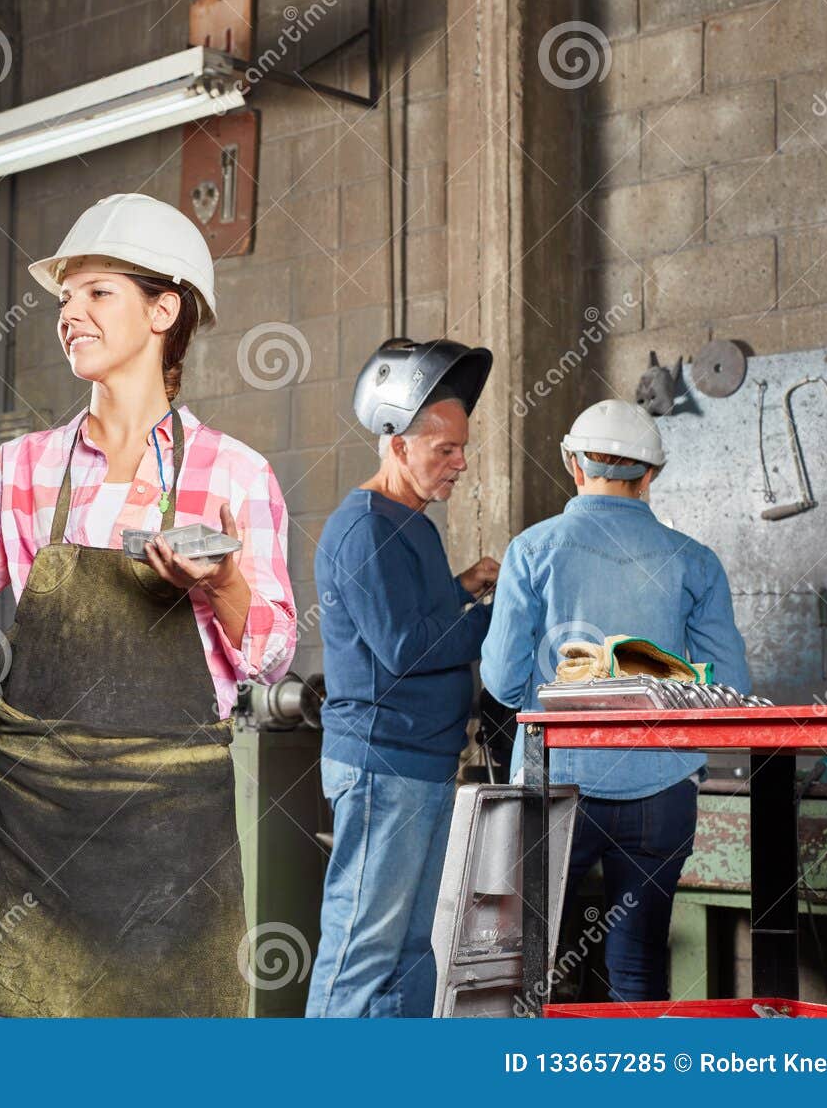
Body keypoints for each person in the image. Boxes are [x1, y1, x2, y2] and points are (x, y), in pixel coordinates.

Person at [0, 193, 297, 1016]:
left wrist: (223, 583)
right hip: (34, 824)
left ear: (165, 309)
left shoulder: (234, 474)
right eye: (64, 299)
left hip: (172, 825)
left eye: (97, 293)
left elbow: (269, 653)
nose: (70, 315)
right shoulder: (25, 468)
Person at [479, 398, 750, 1002]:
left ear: (574, 465)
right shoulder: (695, 562)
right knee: (637, 968)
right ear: (651, 474)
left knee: (526, 971)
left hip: (554, 784)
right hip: (662, 790)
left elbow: (499, 681)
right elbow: (729, 689)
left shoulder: (532, 550)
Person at [306, 338, 500, 1019]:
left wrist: (461, 588)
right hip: (383, 765)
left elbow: (404, 615)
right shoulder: (364, 527)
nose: (460, 462)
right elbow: (405, 647)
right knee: (364, 947)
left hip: (419, 763)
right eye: (444, 449)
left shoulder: (409, 520)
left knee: (414, 947)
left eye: (462, 447)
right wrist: (497, 616)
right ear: (396, 443)